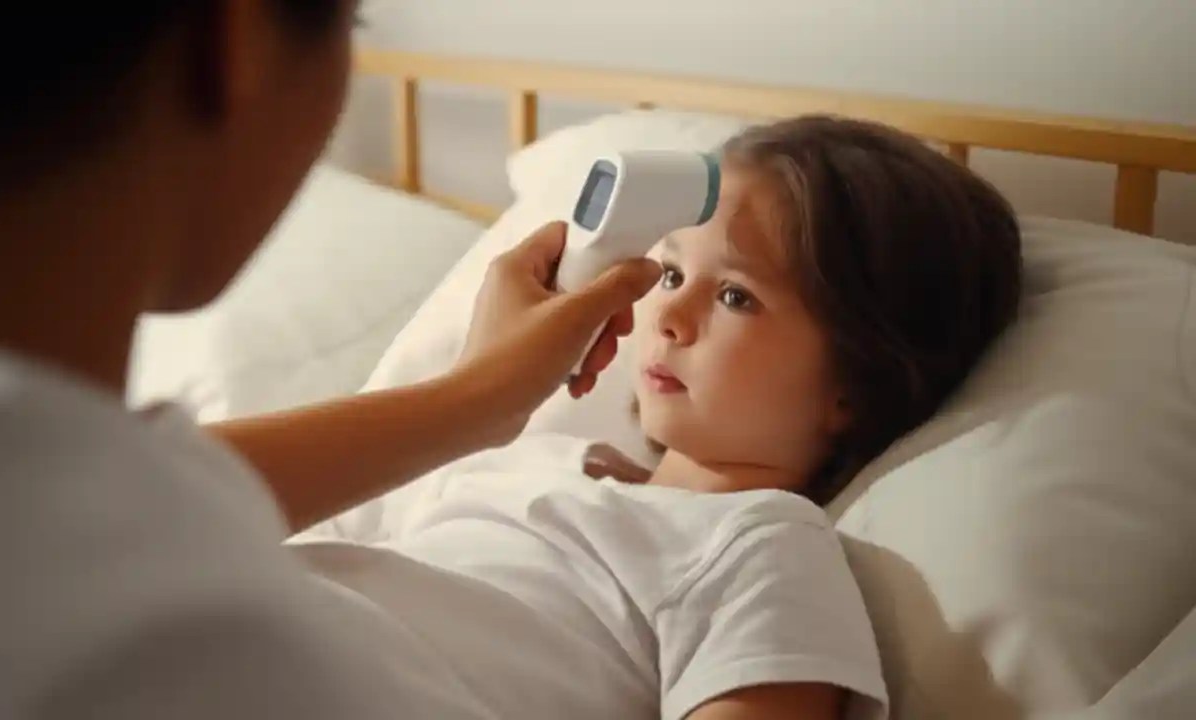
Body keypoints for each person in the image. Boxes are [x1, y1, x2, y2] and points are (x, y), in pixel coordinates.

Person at [0, 2, 659, 718]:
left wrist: (474, 401)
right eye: (352, 20)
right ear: (237, 37)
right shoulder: (207, 663)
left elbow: (139, 487)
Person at [296, 118, 1023, 720]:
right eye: (671, 272)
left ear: (855, 387)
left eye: (735, 296)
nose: (667, 312)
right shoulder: (526, 455)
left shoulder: (760, 547)